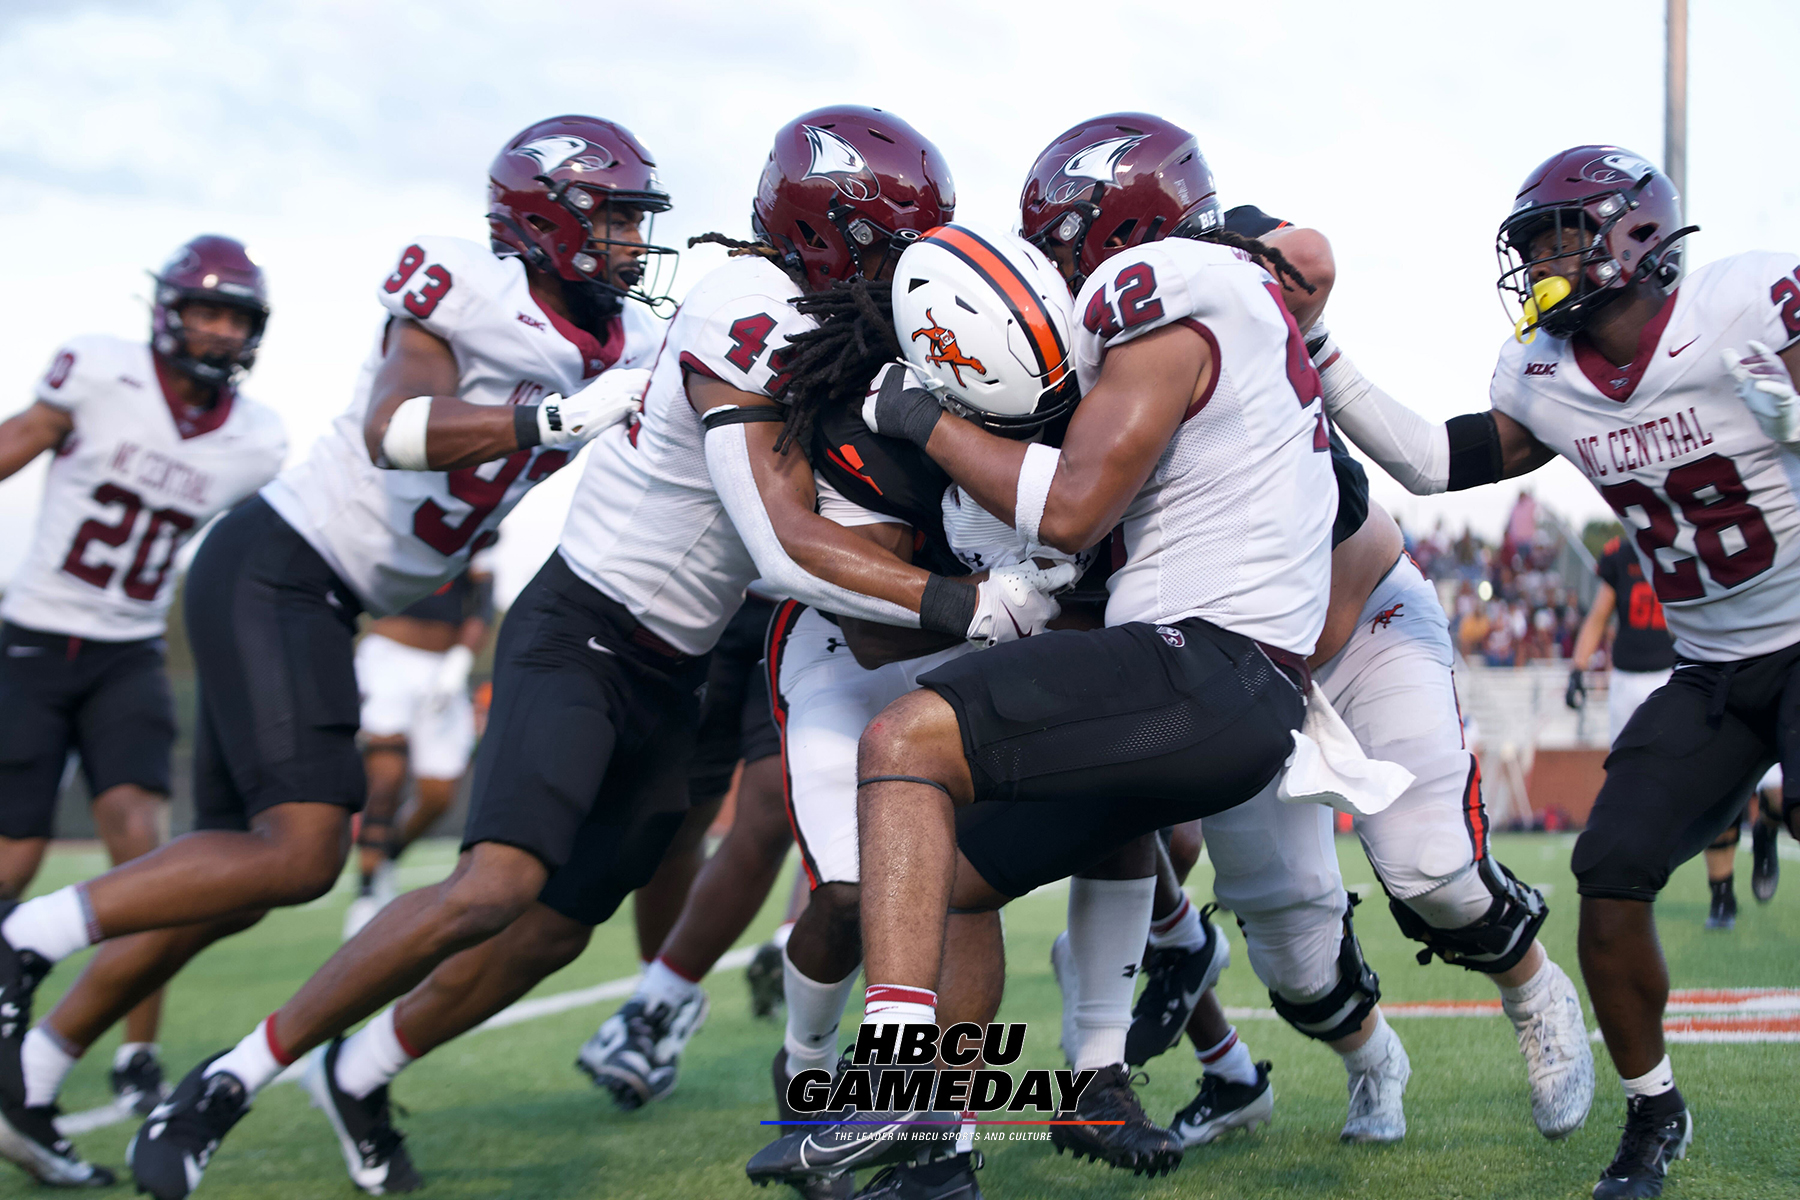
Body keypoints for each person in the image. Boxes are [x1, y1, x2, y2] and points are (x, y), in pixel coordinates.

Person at [133, 107, 1070, 1200]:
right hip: (585, 627)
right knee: (495, 885)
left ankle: (365, 1066)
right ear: (828, 231)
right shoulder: (746, 304)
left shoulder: (830, 319)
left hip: (675, 668)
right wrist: (965, 604)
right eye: (889, 244)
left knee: (553, 934)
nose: (906, 274)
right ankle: (227, 1080)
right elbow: (779, 539)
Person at [0, 113, 667, 1196]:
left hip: (324, 592)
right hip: (282, 566)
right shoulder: (466, 283)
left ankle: (32, 1070)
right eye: (619, 218)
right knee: (305, 853)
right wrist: (545, 419)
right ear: (548, 218)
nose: (636, 245)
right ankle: (23, 935)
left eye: (642, 222)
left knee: (232, 879)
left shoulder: (631, 340)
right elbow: (391, 423)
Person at [751, 114, 1348, 1189]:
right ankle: (941, 1144)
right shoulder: (1230, 319)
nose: (1058, 272)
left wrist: (926, 419)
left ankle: (895, 1089)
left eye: (1064, 242)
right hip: (1221, 678)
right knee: (958, 879)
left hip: (1203, 665)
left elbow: (1069, 513)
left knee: (908, 744)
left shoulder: (1159, 300)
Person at [1309, 143, 1800, 1198]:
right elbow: (1433, 464)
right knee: (1606, 872)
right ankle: (1653, 1111)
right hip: (1710, 668)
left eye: (1559, 239)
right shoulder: (1547, 374)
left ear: (1634, 234)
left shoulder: (1749, 300)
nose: (1540, 265)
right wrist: (1319, 348)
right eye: (1531, 246)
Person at [1102, 196, 1589, 1145]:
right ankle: (1375, 1061)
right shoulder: (1080, 380)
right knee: (1289, 950)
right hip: (1243, 677)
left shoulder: (1231, 294)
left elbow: (1305, 254)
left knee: (1435, 872)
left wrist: (1243, 272)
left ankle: (1536, 994)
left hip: (1364, 622)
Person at [0, 236, 287, 1186]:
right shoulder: (99, 372)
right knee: (14, 857)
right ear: (167, 311)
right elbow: (16, 443)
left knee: (152, 858)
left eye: (234, 316)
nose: (216, 328)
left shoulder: (256, 440)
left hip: (128, 656)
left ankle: (131, 1051)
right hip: (32, 642)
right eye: (203, 310)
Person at [575, 585, 788, 1109]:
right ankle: (656, 1000)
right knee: (673, 819)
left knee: (779, 802)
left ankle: (655, 1005)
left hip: (809, 604)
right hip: (707, 596)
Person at [344, 550, 496, 939]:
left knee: (438, 794)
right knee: (384, 778)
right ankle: (365, 891)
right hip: (387, 657)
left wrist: (461, 659)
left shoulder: (483, 519)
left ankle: (388, 859)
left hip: (442, 665)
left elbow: (482, 599)